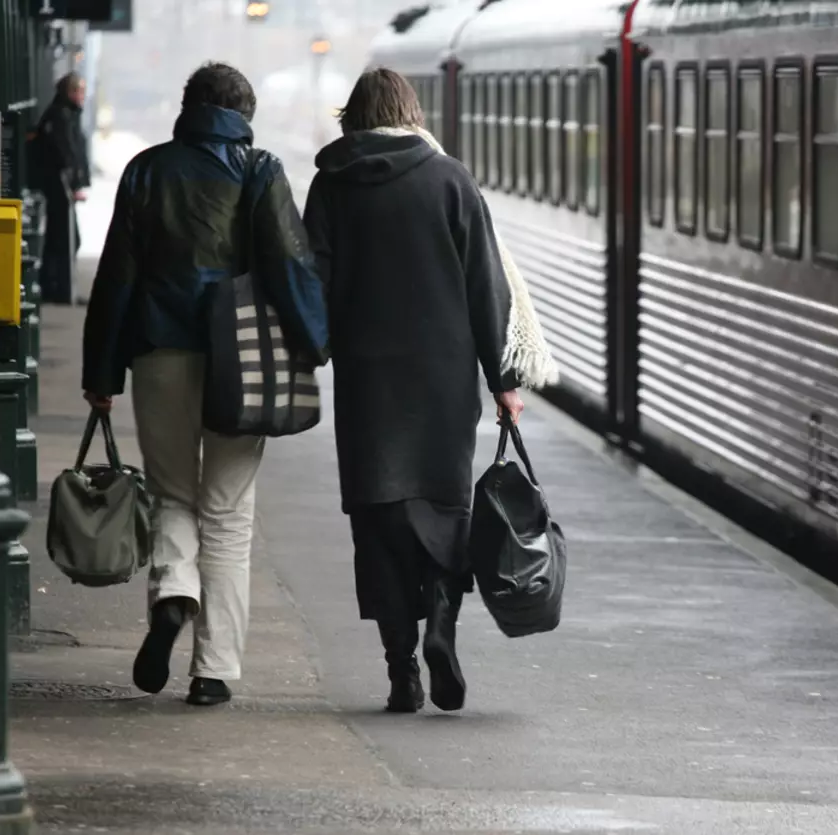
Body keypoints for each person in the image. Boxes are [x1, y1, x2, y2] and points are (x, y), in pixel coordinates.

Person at [303, 68, 555, 713]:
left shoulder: (331, 183)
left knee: (380, 519)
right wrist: (504, 383)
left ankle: (401, 673)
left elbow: (315, 282)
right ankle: (442, 626)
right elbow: (485, 285)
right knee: (445, 511)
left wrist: (317, 349)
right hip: (443, 379)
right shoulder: (451, 179)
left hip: (367, 380)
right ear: (412, 112)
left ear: (352, 118)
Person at [82, 62, 329, 707]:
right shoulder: (259, 169)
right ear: (243, 114)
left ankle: (172, 594)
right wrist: (315, 339)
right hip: (240, 361)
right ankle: (213, 669)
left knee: (170, 492)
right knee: (227, 510)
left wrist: (101, 373)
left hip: (161, 354)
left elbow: (117, 279)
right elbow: (288, 262)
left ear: (187, 106)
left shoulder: (145, 169)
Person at [35, 72, 91, 304]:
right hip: (60, 187)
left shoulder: (65, 115)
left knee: (60, 238)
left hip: (61, 186)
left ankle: (55, 286)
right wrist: (73, 182)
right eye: (79, 91)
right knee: (66, 239)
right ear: (69, 92)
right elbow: (65, 151)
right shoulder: (60, 117)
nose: (82, 97)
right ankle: (58, 288)